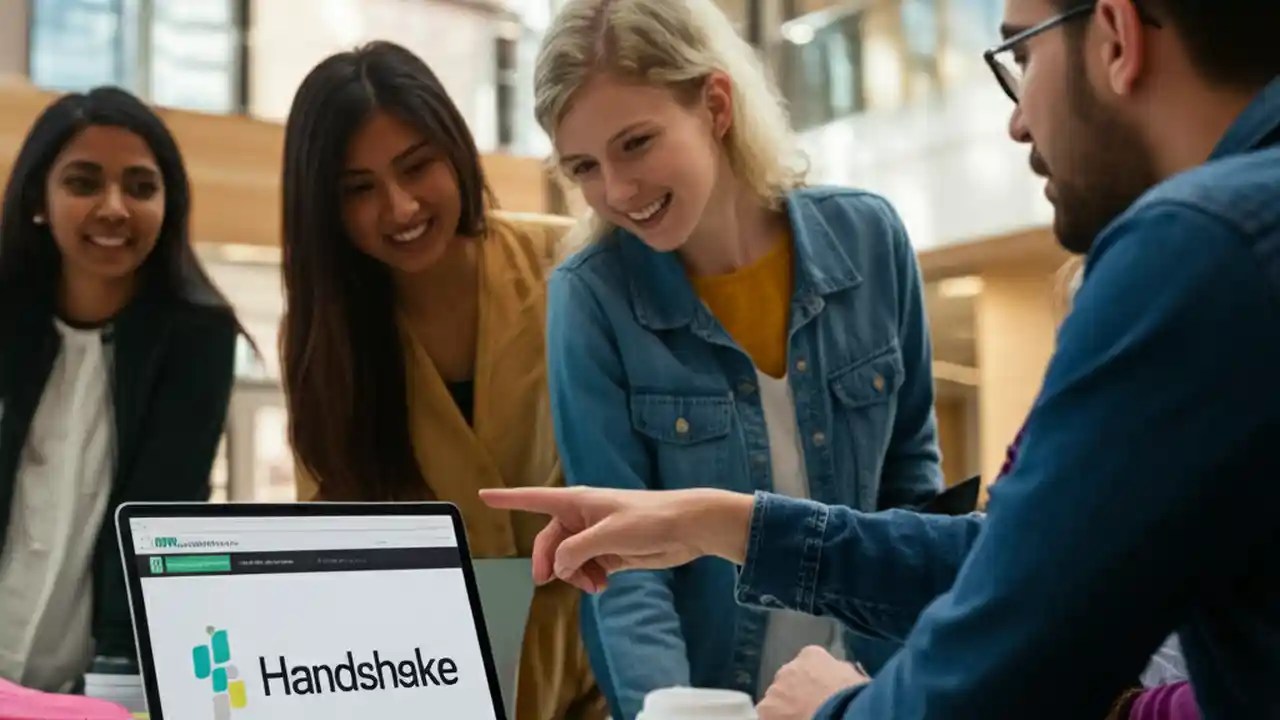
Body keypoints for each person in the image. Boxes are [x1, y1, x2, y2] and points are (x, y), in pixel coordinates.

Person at [483, 0, 1280, 716]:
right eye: (583, 167)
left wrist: (843, 705)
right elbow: (1009, 564)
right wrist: (726, 524)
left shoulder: (1196, 247)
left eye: (1021, 53)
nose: (1015, 120)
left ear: (1118, 34)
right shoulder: (1233, 230)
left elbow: (1016, 620)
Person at [532, 0, 943, 715]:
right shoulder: (590, 298)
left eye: (636, 143)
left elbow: (912, 495)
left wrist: (901, 693)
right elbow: (624, 571)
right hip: (708, 701)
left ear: (716, 105)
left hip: (867, 694)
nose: (617, 191)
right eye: (584, 166)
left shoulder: (869, 238)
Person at [279, 41, 606, 720]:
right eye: (359, 189)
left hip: (597, 664)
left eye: (416, 166)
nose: (400, 207)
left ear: (455, 150)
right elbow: (331, 547)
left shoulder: (570, 264)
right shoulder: (322, 336)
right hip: (423, 678)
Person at [0, 87, 244, 692]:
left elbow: (164, 512)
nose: (114, 208)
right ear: (38, 199)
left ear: (169, 204)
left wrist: (119, 675)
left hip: (95, 679)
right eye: (83, 183)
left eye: (140, 187)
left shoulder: (200, 339)